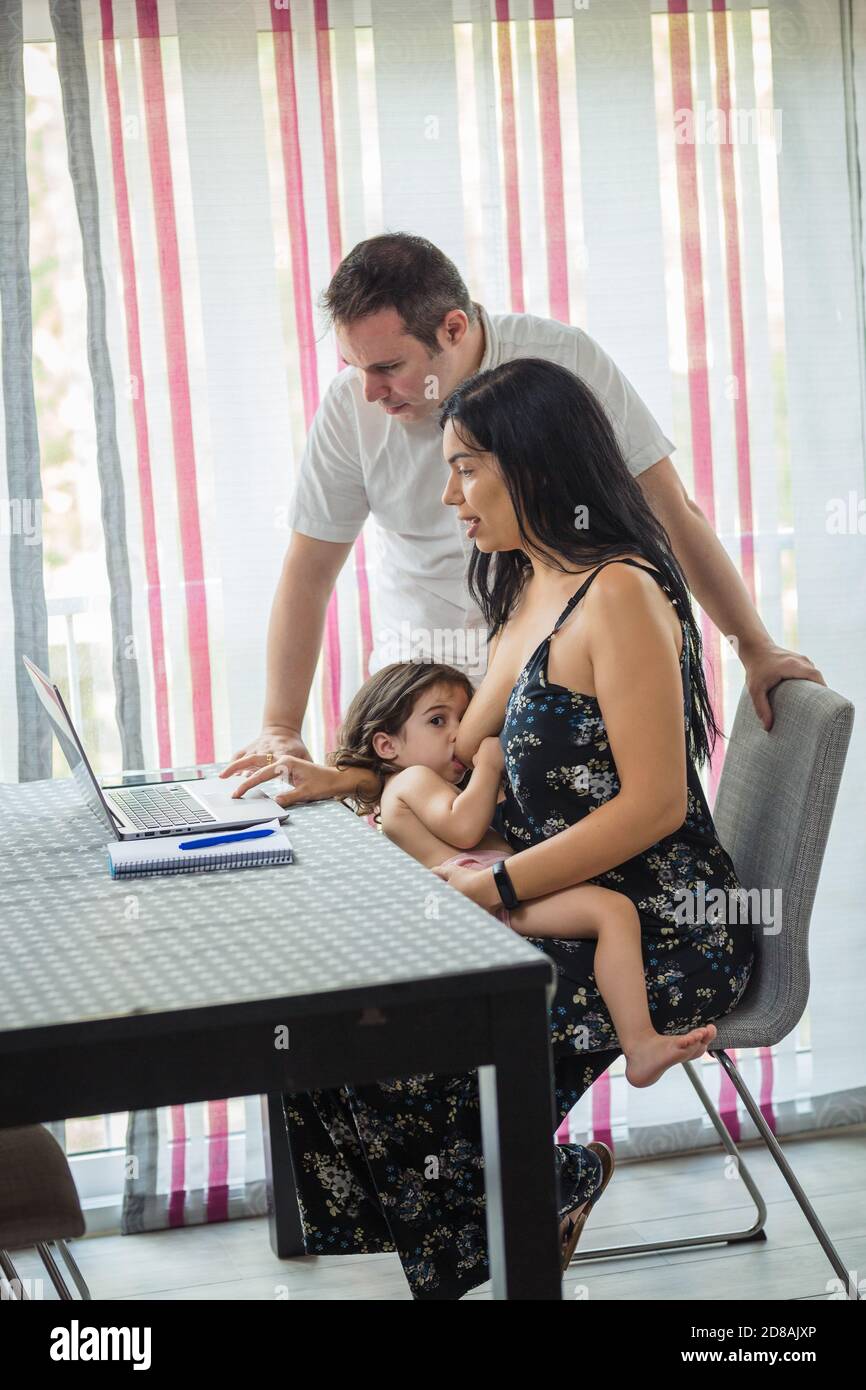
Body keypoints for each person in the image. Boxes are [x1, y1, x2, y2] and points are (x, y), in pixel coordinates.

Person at [273, 357, 756, 1300]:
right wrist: (348, 777)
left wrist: (497, 887)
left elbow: (655, 805)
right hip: (556, 898)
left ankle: (509, 1222)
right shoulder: (525, 584)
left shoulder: (618, 592)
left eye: (466, 467)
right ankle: (523, 1205)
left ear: (532, 464)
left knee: (408, 1046)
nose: (449, 493)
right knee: (331, 1014)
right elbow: (471, 744)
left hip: (664, 920)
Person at [220, 231, 824, 808]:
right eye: (355, 366)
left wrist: (754, 645)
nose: (370, 390)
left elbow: (672, 511)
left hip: (562, 699)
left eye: (388, 366)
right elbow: (308, 572)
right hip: (431, 706)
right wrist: (280, 726)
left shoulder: (561, 365)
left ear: (454, 327)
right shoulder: (353, 407)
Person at [330, 658, 719, 1090]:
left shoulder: (401, 787)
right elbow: (463, 827)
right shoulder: (413, 779)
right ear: (387, 746)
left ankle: (637, 1045)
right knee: (613, 911)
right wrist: (492, 765)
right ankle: (640, 1042)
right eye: (438, 721)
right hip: (479, 891)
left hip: (480, 890)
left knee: (607, 912)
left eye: (463, 716)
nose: (459, 733)